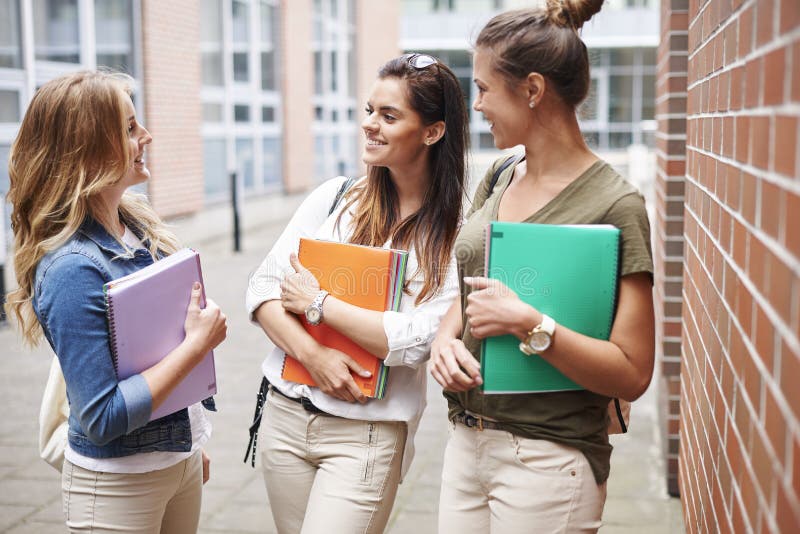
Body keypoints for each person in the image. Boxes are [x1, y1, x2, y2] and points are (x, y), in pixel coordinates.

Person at [429, 1, 656, 532]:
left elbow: (633, 371)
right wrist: (444, 340)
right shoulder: (501, 175)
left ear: (532, 90)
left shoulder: (615, 204)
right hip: (466, 443)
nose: (476, 103)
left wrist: (528, 324)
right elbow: (466, 298)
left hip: (548, 464)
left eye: (485, 89)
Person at [245, 53, 468, 533]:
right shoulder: (335, 197)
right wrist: (313, 354)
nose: (370, 125)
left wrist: (317, 305)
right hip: (284, 418)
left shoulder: (455, 233)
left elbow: (414, 341)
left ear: (432, 132)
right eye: (369, 110)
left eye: (389, 117)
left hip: (364, 436)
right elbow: (262, 288)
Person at [5, 70, 228, 533]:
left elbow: (149, 351)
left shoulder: (137, 224)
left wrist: (187, 441)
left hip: (177, 462)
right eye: (128, 128)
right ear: (87, 148)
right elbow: (101, 415)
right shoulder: (71, 268)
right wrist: (197, 345)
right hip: (118, 485)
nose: (145, 136)